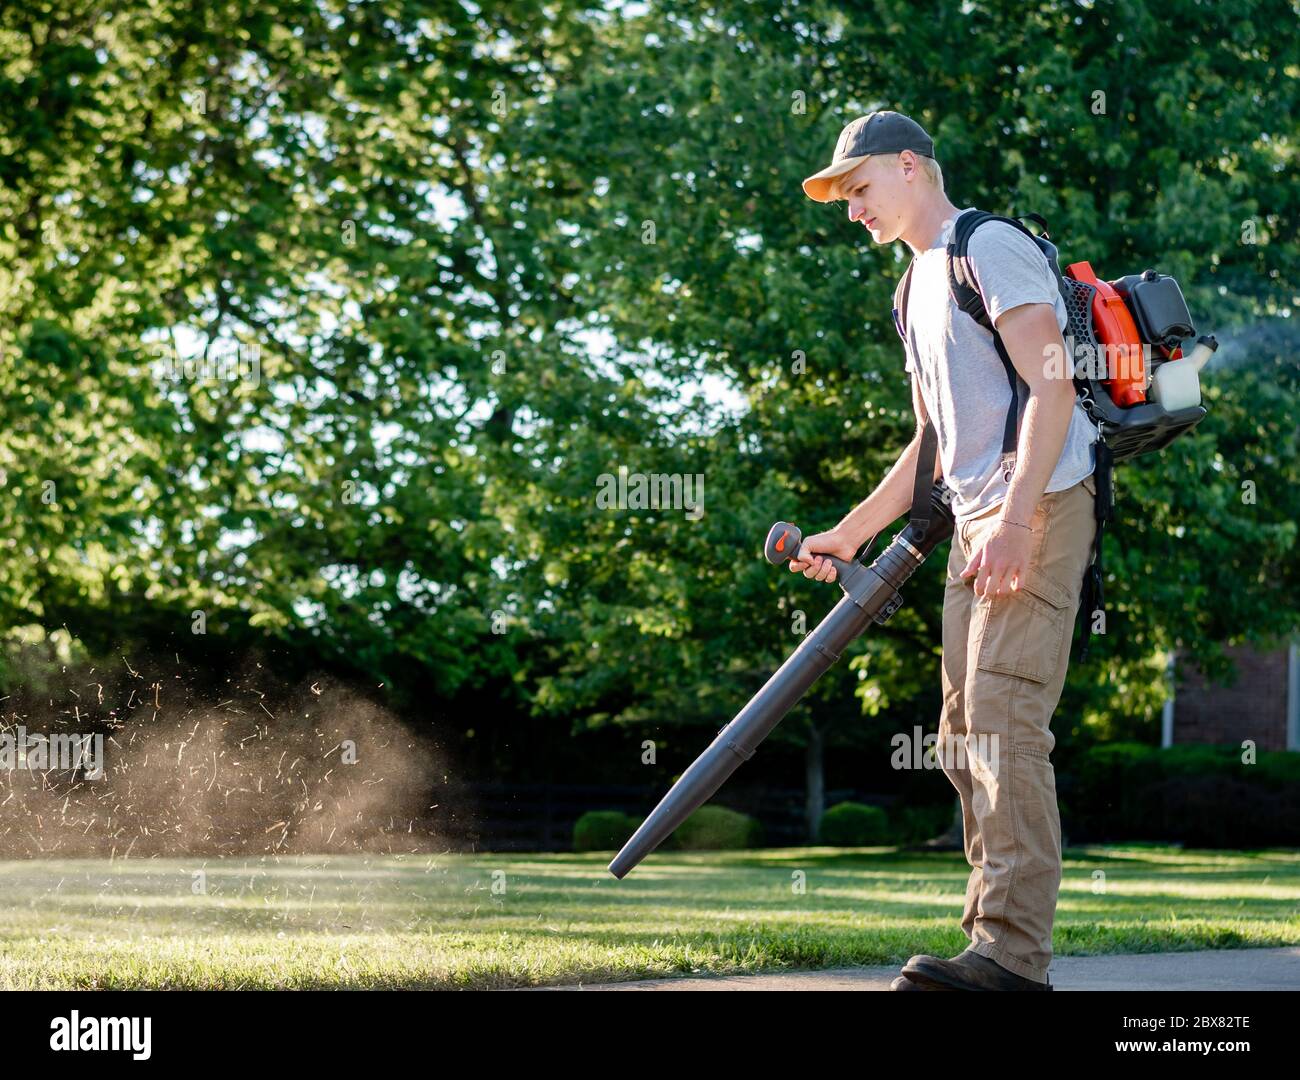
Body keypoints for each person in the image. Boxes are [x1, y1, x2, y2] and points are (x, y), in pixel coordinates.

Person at [794, 111, 1099, 991]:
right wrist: (850, 532)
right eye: (843, 199)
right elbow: (931, 443)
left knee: (1004, 724)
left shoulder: (986, 246)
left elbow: (1053, 383)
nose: (853, 210)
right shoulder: (912, 288)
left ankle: (1012, 958)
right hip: (975, 523)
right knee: (964, 738)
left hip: (1034, 509)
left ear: (909, 165)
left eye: (859, 189)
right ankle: (989, 946)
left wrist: (1012, 518)